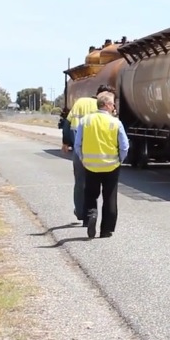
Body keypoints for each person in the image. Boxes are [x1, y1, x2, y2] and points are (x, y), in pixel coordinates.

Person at [74, 91, 129, 239]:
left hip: (91, 166)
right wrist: (120, 160)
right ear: (105, 105)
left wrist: (83, 159)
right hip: (111, 166)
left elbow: (78, 144)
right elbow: (124, 146)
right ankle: (106, 230)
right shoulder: (116, 123)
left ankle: (91, 215)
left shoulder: (85, 121)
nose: (113, 107)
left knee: (91, 194)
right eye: (112, 104)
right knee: (109, 197)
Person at [64, 84, 118, 223]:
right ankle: (94, 216)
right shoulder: (106, 109)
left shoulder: (81, 102)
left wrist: (65, 142)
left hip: (80, 150)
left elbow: (67, 122)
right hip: (101, 153)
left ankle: (83, 213)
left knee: (80, 182)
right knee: (100, 187)